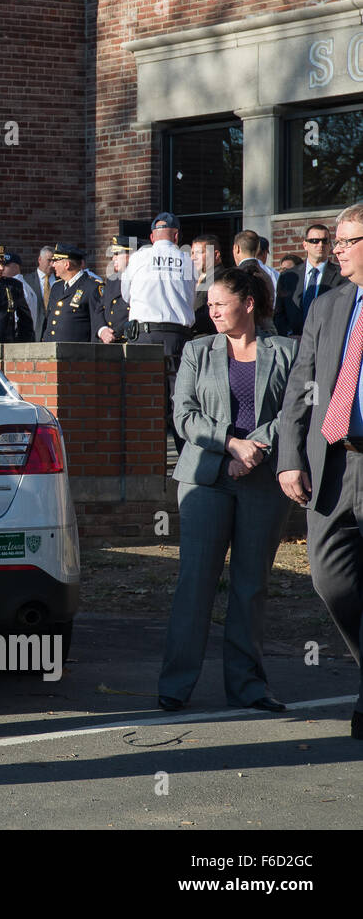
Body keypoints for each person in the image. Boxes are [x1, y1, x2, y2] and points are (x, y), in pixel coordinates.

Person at [158, 267, 295, 713]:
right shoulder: (197, 350)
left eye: (220, 303)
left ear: (248, 304)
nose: (212, 311)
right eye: (210, 304)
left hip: (262, 479)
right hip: (205, 479)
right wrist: (233, 444)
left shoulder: (286, 351)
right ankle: (176, 683)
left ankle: (248, 686)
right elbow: (184, 415)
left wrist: (256, 448)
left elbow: (297, 412)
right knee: (195, 582)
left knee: (251, 585)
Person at [277, 203, 363, 741]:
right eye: (335, 240)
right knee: (330, 579)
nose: (336, 249)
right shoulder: (329, 305)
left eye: (348, 240)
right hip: (333, 463)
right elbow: (300, 384)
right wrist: (290, 454)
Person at [121, 213, 196, 451]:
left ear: (152, 236)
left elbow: (126, 294)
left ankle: (145, 456)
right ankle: (184, 458)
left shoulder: (139, 258)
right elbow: (190, 298)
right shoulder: (187, 260)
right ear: (176, 235)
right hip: (178, 337)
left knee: (143, 399)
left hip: (145, 336)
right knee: (180, 400)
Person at [274, 224, 341, 337]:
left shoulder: (341, 275)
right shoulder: (288, 276)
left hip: (327, 341)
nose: (320, 245)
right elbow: (279, 313)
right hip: (293, 344)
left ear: (330, 245)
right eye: (314, 241)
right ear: (305, 245)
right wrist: (289, 336)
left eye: (325, 241)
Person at [40, 244, 104, 342]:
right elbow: (49, 321)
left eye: (56, 261)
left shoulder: (92, 287)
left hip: (76, 353)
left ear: (67, 264)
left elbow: (97, 323)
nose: (53, 265)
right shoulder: (56, 287)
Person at [96, 236, 133, 343]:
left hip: (130, 341)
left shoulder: (141, 279)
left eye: (117, 254)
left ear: (131, 255)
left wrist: (116, 332)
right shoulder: (112, 280)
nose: (113, 258)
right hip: (109, 343)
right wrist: (102, 330)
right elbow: (99, 309)